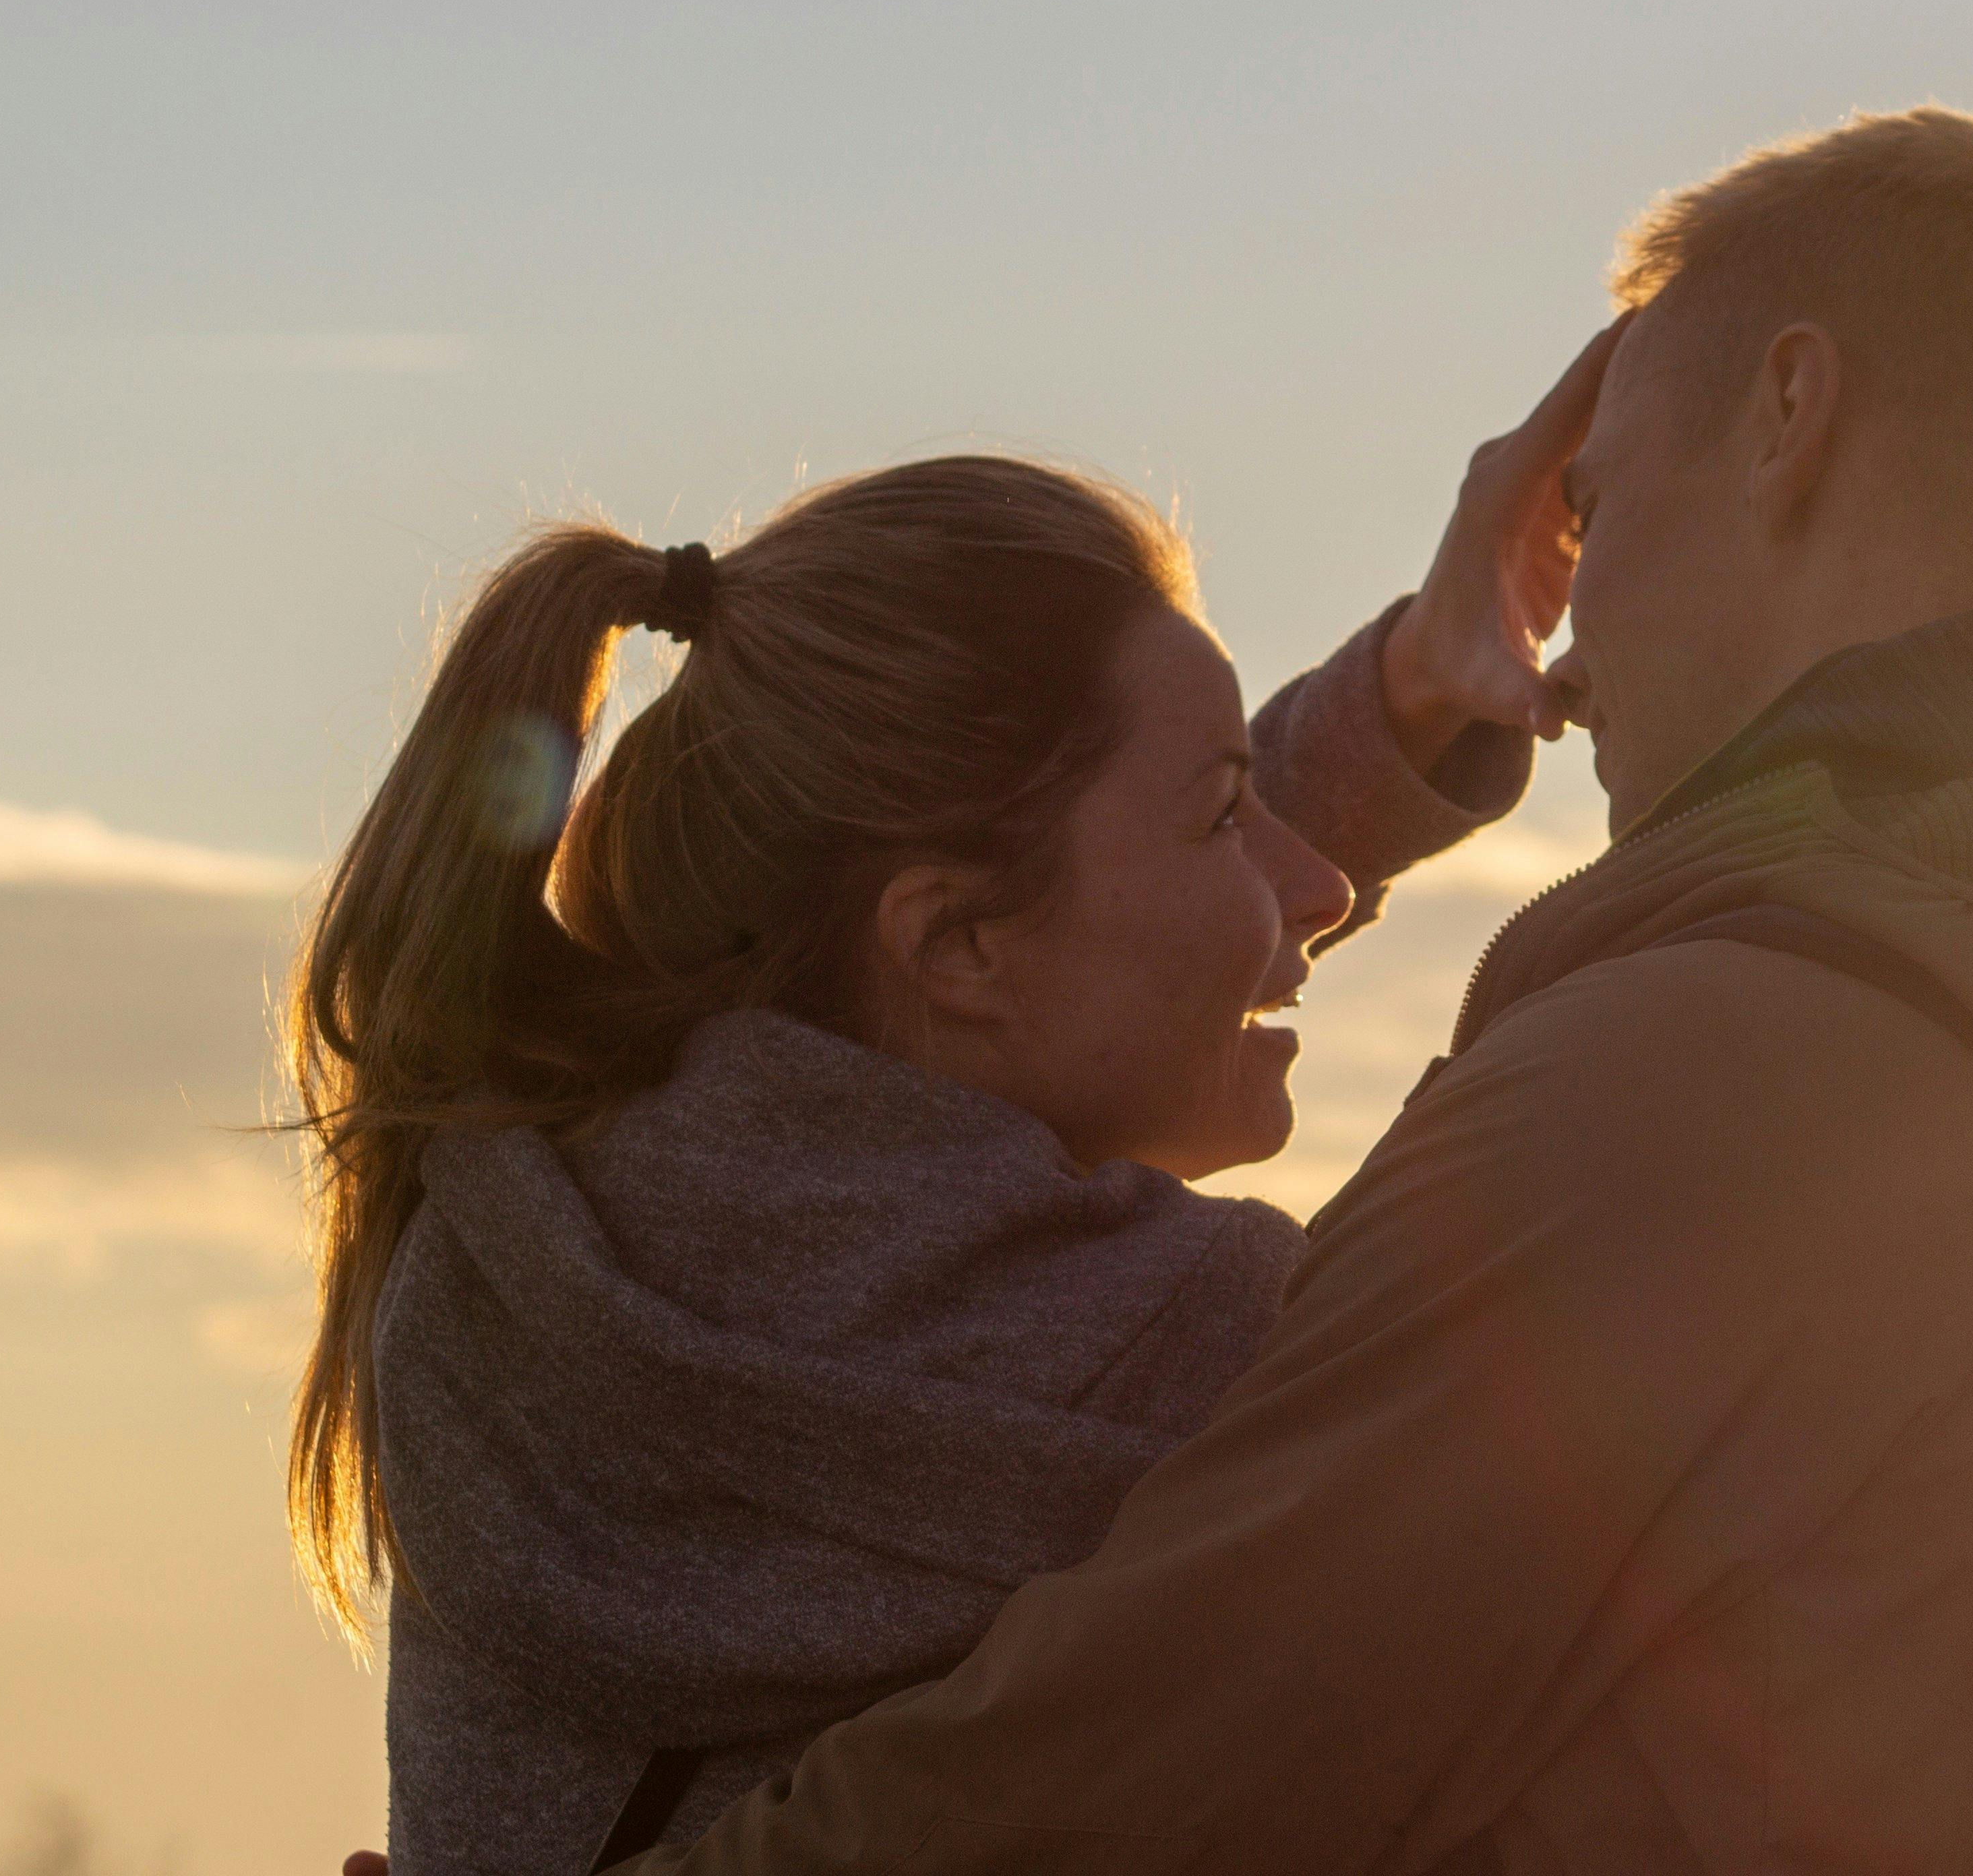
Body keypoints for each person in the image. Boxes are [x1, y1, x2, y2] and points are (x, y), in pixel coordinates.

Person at [610, 107, 1973, 1873]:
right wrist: (1399, 709)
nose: (1573, 660)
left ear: (1791, 415)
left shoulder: (1712, 1093)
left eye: (1593, 520)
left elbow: (1106, 1790)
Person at [285, 456, 1564, 1874]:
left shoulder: (496, 1235)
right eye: (1224, 812)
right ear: (953, 945)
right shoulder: (1210, 1352)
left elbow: (1079, 882)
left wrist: (1391, 711)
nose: (1314, 890)